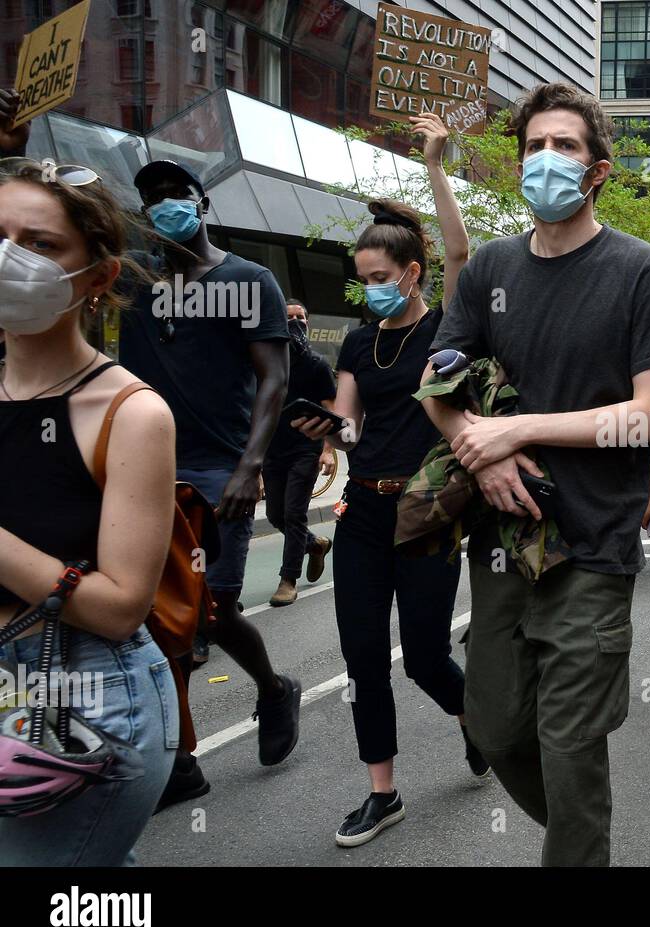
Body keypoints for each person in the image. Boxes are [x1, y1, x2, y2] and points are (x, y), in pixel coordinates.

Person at [425, 84, 650, 867]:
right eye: (534, 146)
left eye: (566, 147)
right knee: (499, 730)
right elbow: (439, 385)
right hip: (503, 542)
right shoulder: (489, 270)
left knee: (570, 747)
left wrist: (520, 428)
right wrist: (486, 448)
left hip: (592, 546)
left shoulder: (643, 272)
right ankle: (582, 847)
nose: (547, 159)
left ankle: (579, 852)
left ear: (599, 172)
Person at [294, 115, 487, 846]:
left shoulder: (443, 327)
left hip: (427, 514)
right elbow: (350, 426)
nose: (369, 290)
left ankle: (474, 720)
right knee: (363, 661)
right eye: (362, 280)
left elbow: (462, 249)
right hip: (363, 517)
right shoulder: (354, 339)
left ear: (411, 274)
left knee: (428, 656)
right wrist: (324, 431)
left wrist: (437, 166)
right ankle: (383, 792)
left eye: (380, 278)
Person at [0, 158, 177, 864]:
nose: (10, 257)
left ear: (98, 278)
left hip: (84, 699)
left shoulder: (130, 414)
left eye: (39, 244)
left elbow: (117, 606)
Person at [119, 159, 300, 809]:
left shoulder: (248, 281)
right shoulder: (134, 282)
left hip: (219, 467)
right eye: (151, 198)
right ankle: (178, 760)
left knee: (213, 611)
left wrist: (250, 467)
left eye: (176, 194)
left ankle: (275, 689)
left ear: (201, 203)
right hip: (142, 468)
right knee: (148, 614)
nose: (164, 205)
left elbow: (274, 380)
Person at [264, 299, 336, 607]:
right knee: (274, 514)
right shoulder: (268, 362)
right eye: (290, 317)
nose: (297, 323)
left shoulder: (317, 364)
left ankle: (287, 579)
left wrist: (329, 451)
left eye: (301, 317)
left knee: (294, 513)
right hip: (272, 450)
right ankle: (315, 544)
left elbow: (331, 410)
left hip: (306, 449)